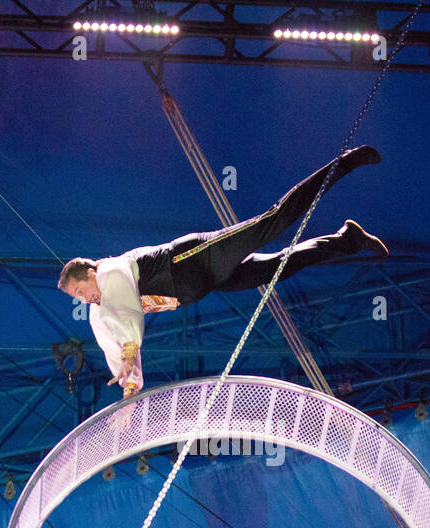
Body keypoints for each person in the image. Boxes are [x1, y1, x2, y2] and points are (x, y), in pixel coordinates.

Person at [59, 145, 387, 397]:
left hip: (192, 260)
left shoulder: (109, 271)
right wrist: (130, 386)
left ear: (89, 271)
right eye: (78, 298)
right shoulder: (99, 312)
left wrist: (130, 351)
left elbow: (127, 311)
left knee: (272, 221)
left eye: (79, 291)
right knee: (278, 267)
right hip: (203, 284)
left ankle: (344, 162)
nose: (84, 299)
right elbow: (111, 343)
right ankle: (347, 240)